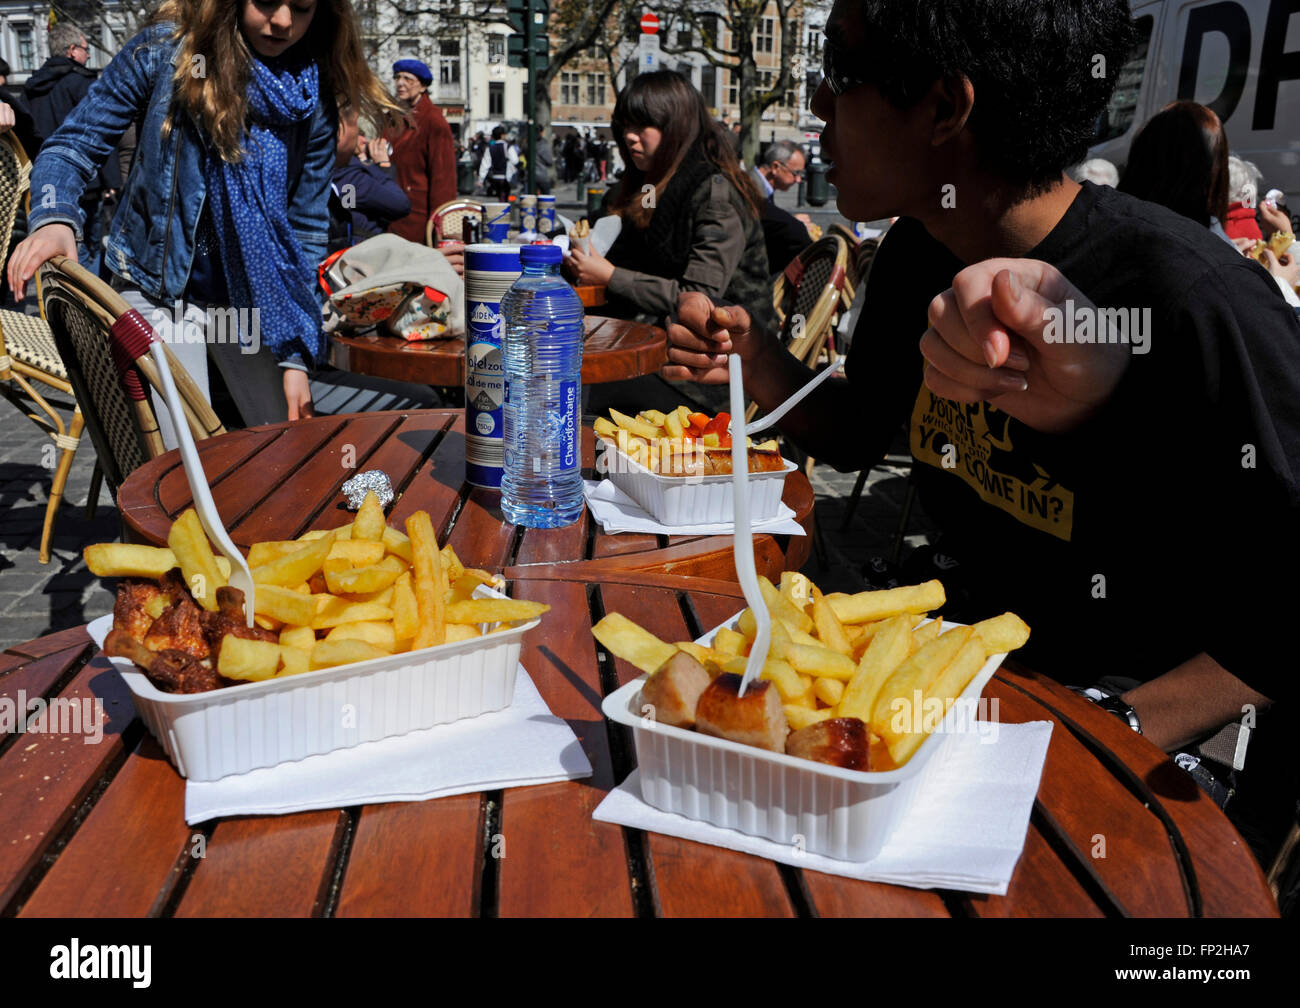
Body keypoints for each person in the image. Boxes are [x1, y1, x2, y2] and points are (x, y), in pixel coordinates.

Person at [664, 0, 1299, 848]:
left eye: (839, 75)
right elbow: (857, 432)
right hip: (960, 683)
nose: (816, 106)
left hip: (1152, 729)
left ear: (944, 110)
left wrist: (1112, 723)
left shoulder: (1187, 296)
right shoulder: (919, 252)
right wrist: (759, 361)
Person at [9, 0, 397, 429]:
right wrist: (54, 217)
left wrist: (296, 354)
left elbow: (304, 230)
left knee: (284, 442)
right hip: (159, 289)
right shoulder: (167, 53)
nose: (284, 21)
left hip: (253, 296)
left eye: (304, 7)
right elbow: (73, 145)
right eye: (266, 1)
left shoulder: (312, 96)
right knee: (182, 459)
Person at [562, 70, 771, 332]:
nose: (629, 136)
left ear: (676, 128)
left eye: (641, 125)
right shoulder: (647, 183)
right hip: (651, 330)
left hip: (724, 352)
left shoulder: (714, 195)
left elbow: (700, 298)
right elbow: (594, 225)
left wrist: (610, 276)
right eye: (626, 125)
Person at [24, 23, 122, 269]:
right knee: (90, 244)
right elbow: (101, 131)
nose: (88, 55)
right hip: (87, 180)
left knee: (67, 250)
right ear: (71, 50)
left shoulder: (31, 87)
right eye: (85, 48)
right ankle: (92, 302)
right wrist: (112, 182)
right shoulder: (82, 83)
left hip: (45, 183)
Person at [384, 58, 457, 244]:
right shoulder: (392, 118)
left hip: (416, 218)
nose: (400, 83)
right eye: (398, 78)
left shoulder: (433, 121)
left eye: (408, 79)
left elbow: (443, 180)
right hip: (388, 213)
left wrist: (440, 225)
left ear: (423, 86)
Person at [329, 107, 411, 252]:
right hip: (367, 252)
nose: (364, 140)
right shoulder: (353, 177)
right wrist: (382, 165)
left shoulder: (334, 171)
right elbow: (400, 204)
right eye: (359, 133)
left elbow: (352, 203)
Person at [752, 139, 814, 274]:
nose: (798, 180)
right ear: (775, 167)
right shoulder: (753, 189)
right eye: (795, 173)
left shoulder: (762, 187)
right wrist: (792, 224)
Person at [478, 125, 516, 200]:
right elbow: (515, 160)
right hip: (505, 177)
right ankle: (504, 210)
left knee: (500, 196)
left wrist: (481, 179)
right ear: (502, 135)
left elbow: (485, 164)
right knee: (505, 197)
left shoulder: (490, 148)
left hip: (494, 177)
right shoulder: (508, 147)